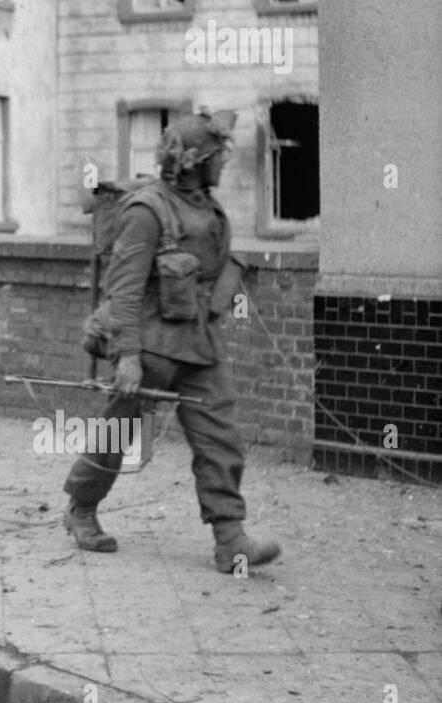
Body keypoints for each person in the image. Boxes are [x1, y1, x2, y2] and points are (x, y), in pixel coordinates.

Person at [63, 109, 282, 575]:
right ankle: (81, 507)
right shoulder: (147, 211)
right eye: (218, 156)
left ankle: (231, 539)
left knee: (221, 439)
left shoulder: (207, 206)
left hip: (199, 345)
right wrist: (128, 357)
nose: (224, 164)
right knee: (118, 433)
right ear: (195, 161)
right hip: (151, 345)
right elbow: (121, 289)